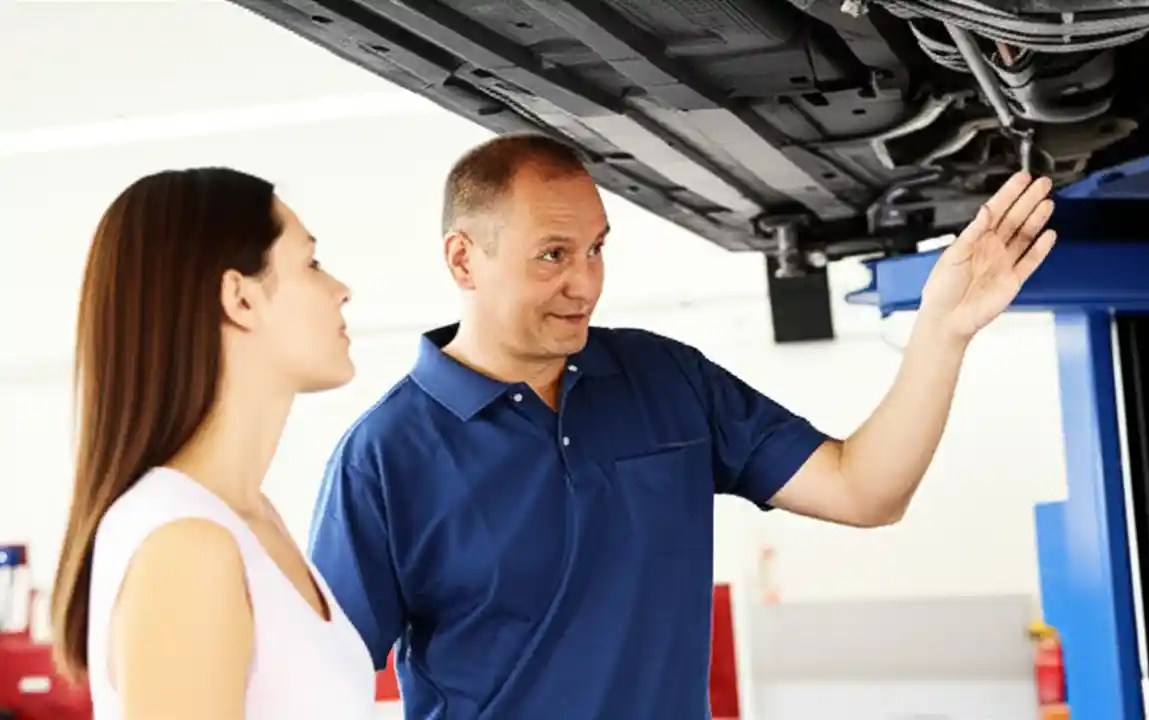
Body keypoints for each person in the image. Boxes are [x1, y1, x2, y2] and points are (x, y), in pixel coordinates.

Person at [309, 133, 1058, 719]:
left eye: (596, 249)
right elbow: (318, 681)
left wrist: (942, 330)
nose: (585, 283)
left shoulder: (664, 379)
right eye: (553, 256)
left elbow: (865, 490)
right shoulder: (385, 456)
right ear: (463, 261)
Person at [49, 167, 376, 720]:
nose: (341, 289)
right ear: (240, 299)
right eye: (311, 263)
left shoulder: (250, 520)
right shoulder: (188, 546)